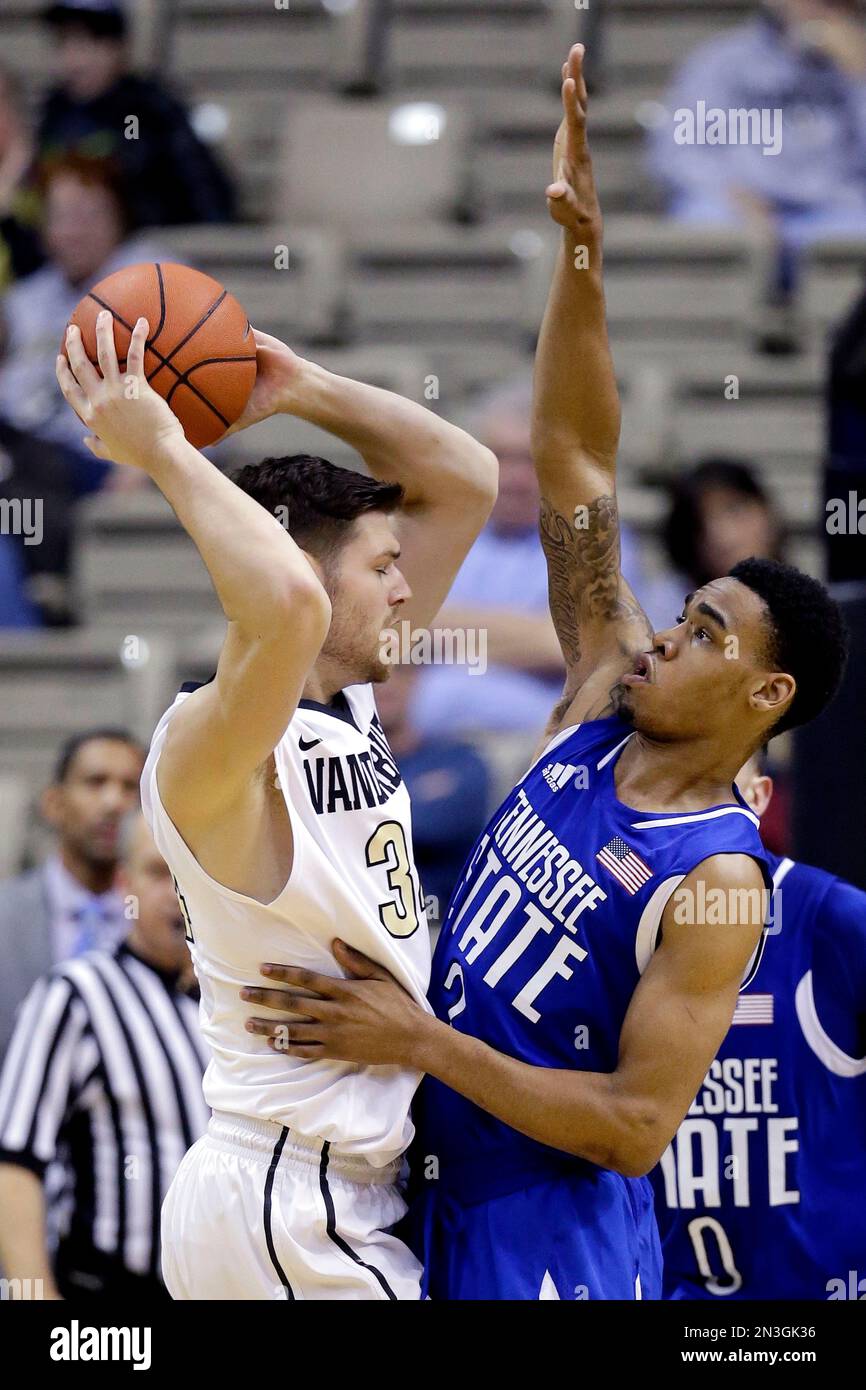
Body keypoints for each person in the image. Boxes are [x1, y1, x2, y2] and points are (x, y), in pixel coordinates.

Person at [240, 46, 849, 1303]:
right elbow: (573, 455)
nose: (667, 635)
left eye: (707, 634)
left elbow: (633, 1126)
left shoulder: (717, 882)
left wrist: (423, 1042)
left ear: (765, 699)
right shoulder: (595, 696)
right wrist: (578, 250)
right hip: (430, 1176)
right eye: (683, 612)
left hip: (548, 1230)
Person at [55, 306, 497, 1299]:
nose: (402, 590)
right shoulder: (209, 743)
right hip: (282, 1195)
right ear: (302, 566)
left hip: (331, 1192)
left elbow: (467, 478)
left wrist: (297, 389)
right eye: (380, 567)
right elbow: (288, 607)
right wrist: (163, 447)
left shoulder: (346, 690)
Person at [653, 754, 866, 1300]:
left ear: (760, 799)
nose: (687, 816)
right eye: (672, 792)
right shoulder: (615, 926)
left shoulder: (835, 919)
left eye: (710, 791)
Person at [0, 814, 209, 1300]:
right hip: (106, 1291)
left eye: (193, 873)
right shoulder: (75, 994)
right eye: (159, 873)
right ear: (123, 884)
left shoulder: (233, 1010)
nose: (178, 893)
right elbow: (15, 1161)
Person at [647, 1, 866, 290]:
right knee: (702, 222)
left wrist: (861, 77)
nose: (820, 9)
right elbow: (675, 151)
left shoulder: (858, 65)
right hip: (740, 209)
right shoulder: (722, 60)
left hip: (833, 213)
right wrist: (729, 190)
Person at [0, 154, 167, 491]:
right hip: (21, 448)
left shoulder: (157, 280)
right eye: (61, 217)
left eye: (89, 215)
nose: (75, 231)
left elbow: (199, 388)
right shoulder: (25, 300)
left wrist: (150, 463)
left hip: (94, 459)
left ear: (119, 218)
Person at [0, 728, 144, 1059]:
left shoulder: (172, 923)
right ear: (54, 803)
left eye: (130, 787)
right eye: (95, 782)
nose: (114, 803)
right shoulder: (6, 916)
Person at [38, 0, 236, 228]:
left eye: (87, 44)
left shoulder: (145, 108)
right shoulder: (56, 109)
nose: (74, 61)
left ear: (117, 48)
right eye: (63, 44)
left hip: (149, 247)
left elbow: (204, 191)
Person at [374, 661, 490, 929]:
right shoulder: (341, 764)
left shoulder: (460, 758)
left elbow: (444, 822)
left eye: (398, 670)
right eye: (374, 674)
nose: (384, 683)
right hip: (364, 922)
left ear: (416, 678)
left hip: (440, 926)